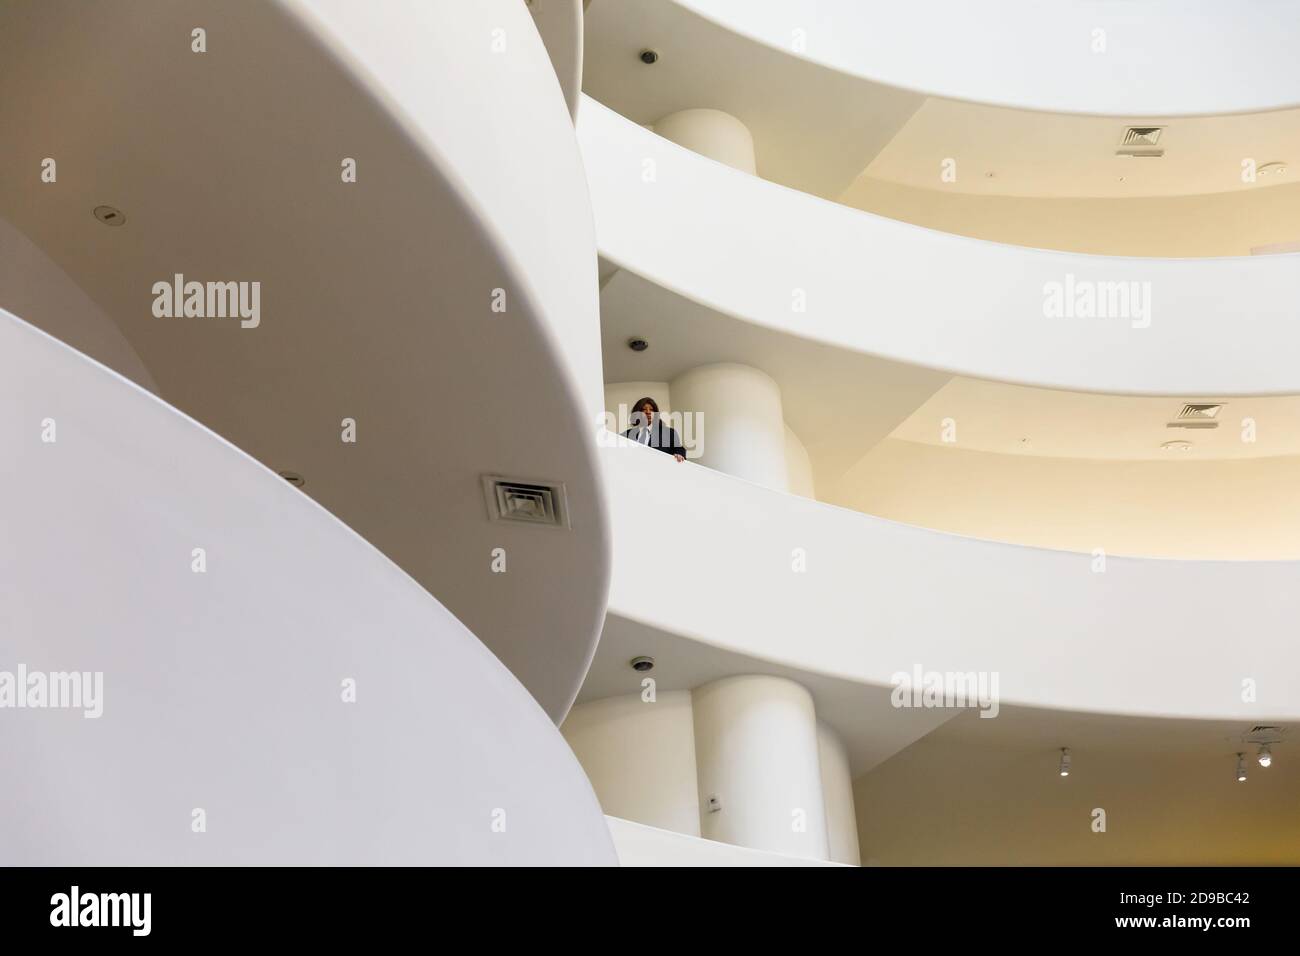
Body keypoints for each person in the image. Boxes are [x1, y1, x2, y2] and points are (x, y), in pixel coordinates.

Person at [623, 396, 685, 462]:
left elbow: (679, 449)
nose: (648, 412)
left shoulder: (669, 433)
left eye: (651, 410)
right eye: (644, 409)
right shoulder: (627, 435)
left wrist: (679, 454)